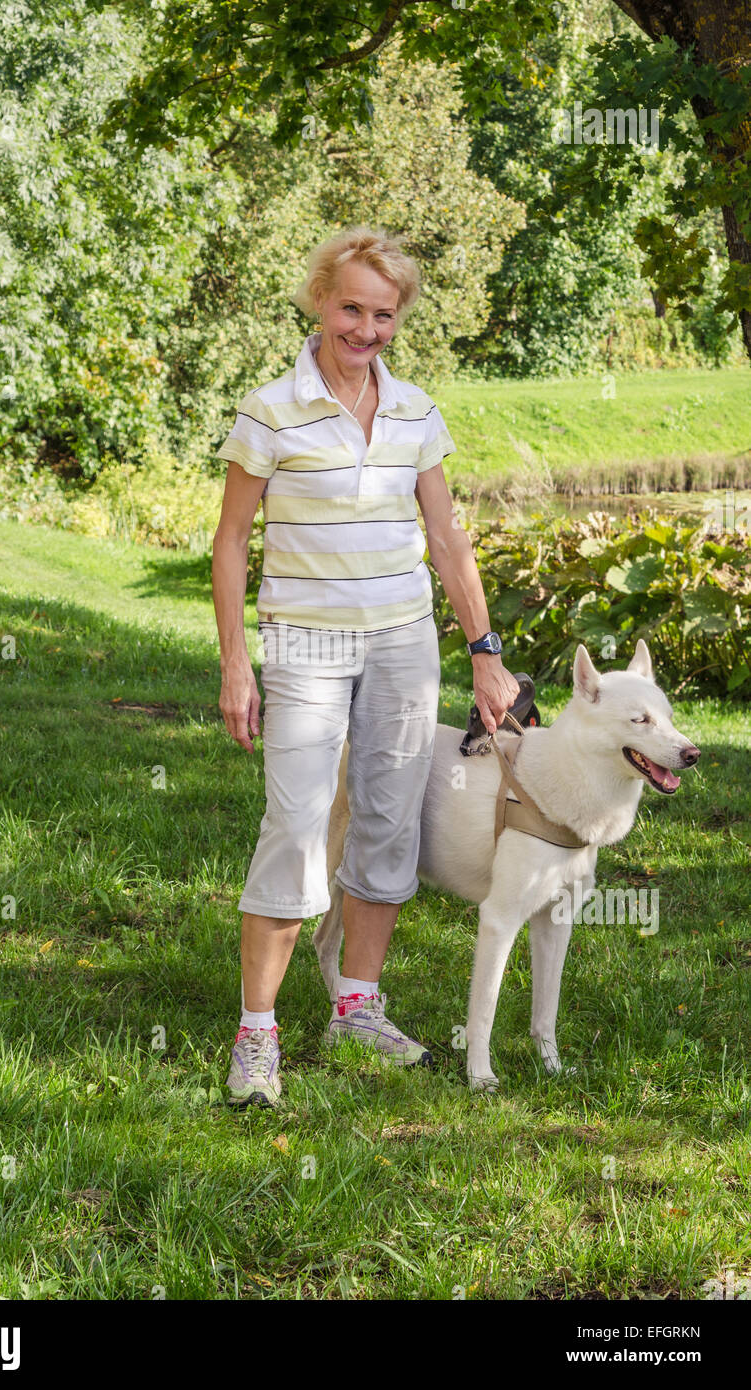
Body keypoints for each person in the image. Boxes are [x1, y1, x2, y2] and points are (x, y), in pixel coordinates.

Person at [212, 226, 519, 1108]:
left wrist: (485, 653)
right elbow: (231, 544)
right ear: (320, 299)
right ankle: (256, 1036)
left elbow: (448, 540)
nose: (367, 328)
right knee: (298, 824)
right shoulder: (271, 409)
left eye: (384, 314)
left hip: (402, 643)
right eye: (352, 307)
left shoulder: (418, 410)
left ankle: (356, 1007)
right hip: (304, 645)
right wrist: (238, 665)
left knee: (389, 822)